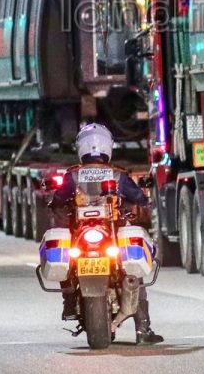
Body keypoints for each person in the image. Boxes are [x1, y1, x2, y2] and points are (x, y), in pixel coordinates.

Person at [49, 122, 163, 344]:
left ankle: (70, 302)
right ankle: (143, 330)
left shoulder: (73, 176)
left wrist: (55, 204)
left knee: (70, 265)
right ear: (107, 147)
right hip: (108, 233)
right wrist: (143, 200)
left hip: (83, 236)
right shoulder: (117, 174)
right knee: (133, 272)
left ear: (80, 147)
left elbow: (58, 200)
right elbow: (139, 197)